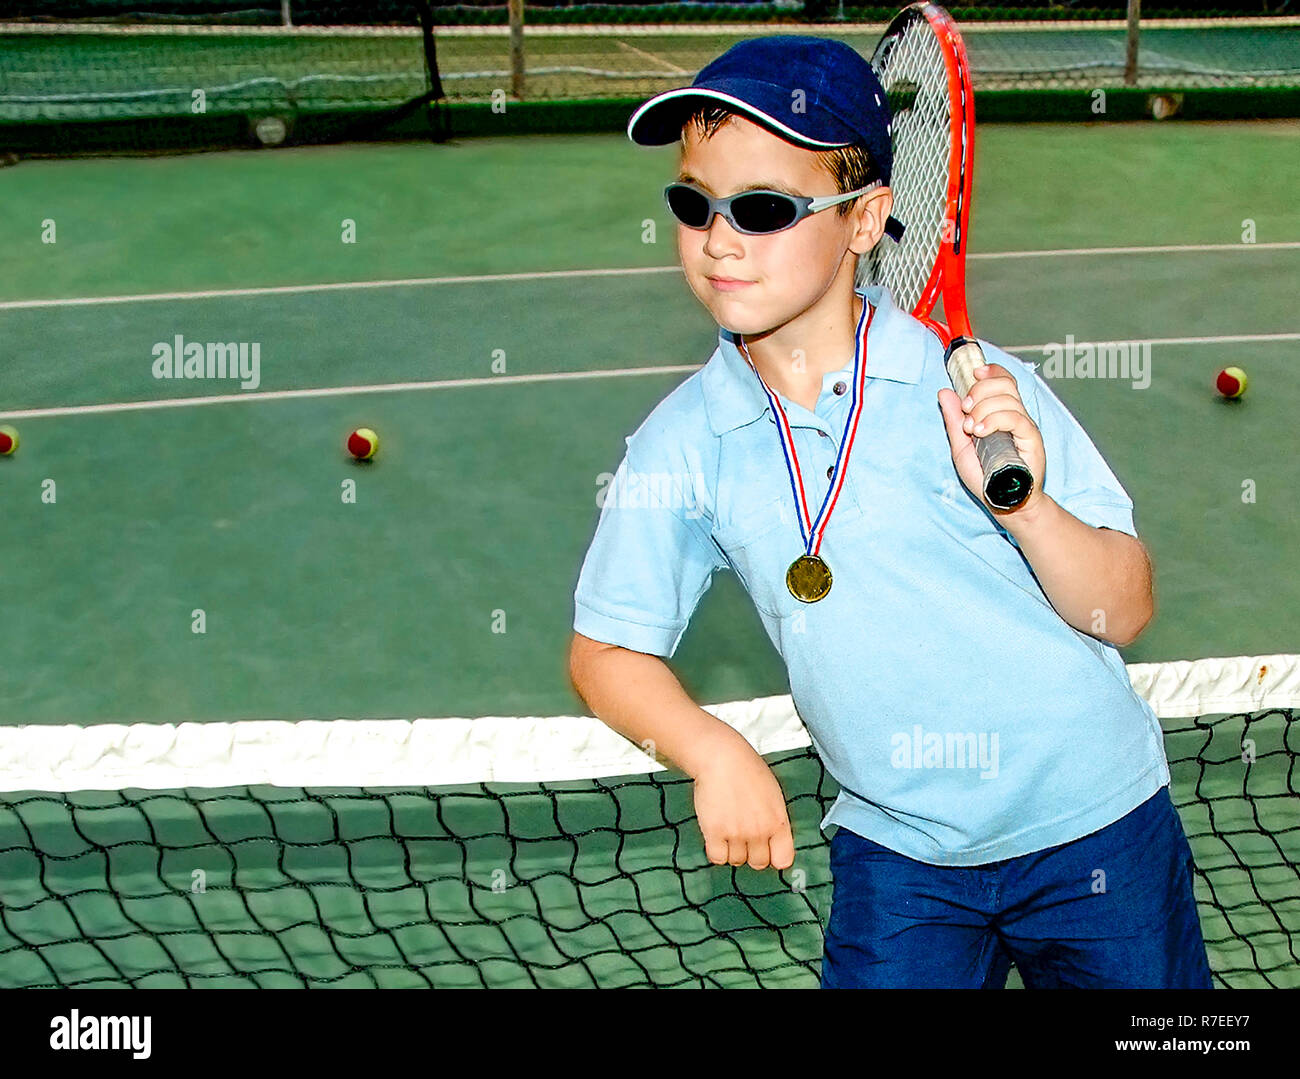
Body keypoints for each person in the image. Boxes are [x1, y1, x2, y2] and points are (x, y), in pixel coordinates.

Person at [567, 36, 1211, 989]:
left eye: (763, 208)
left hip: (1097, 825)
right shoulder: (682, 445)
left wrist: (1028, 505)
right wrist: (712, 749)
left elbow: (1126, 607)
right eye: (692, 203)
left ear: (865, 221)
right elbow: (604, 652)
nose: (719, 238)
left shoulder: (983, 391)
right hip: (898, 853)